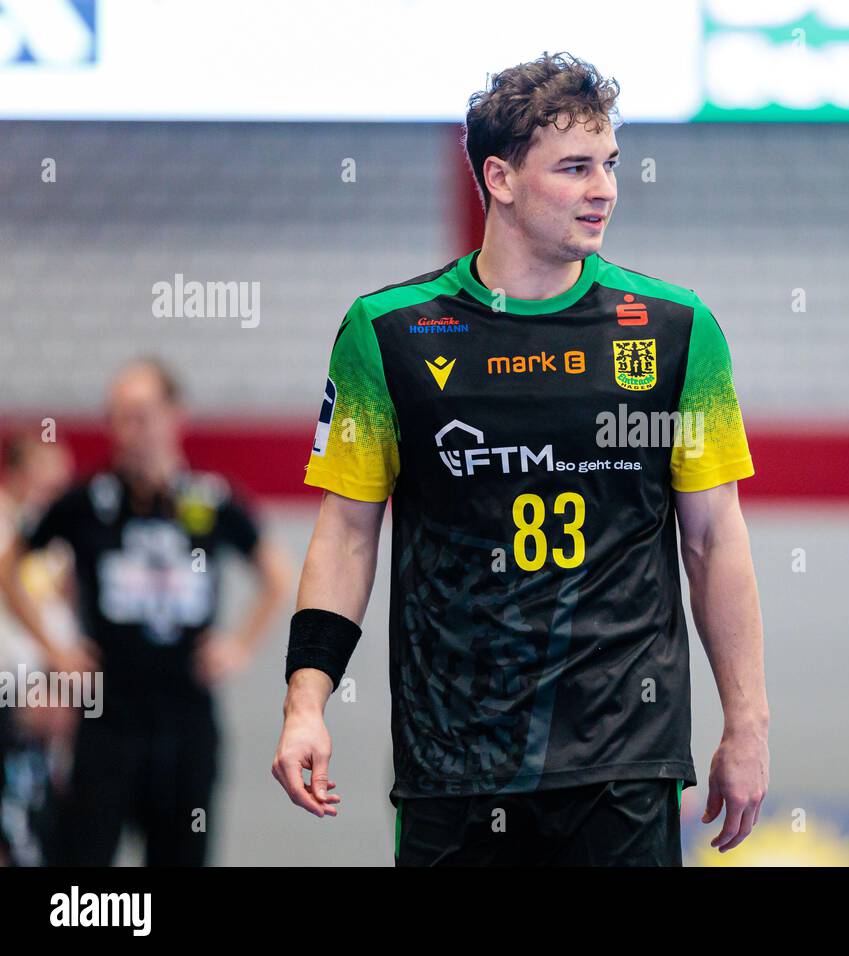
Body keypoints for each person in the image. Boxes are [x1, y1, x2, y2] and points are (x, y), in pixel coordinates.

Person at [272, 51, 769, 866]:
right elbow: (348, 533)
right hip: (453, 759)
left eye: (609, 165)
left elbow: (714, 538)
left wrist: (747, 723)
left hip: (622, 755)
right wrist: (305, 700)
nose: (604, 188)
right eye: (574, 168)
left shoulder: (677, 330)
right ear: (499, 179)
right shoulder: (388, 332)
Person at [0, 358, 292, 865]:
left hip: (187, 724)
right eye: (117, 417)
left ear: (175, 416)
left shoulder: (209, 499)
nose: (127, 431)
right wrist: (56, 649)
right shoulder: (85, 503)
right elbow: (10, 568)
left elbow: (277, 573)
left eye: (140, 415)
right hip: (106, 726)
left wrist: (239, 645)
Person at [0, 432, 76, 866]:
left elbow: (62, 614)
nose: (58, 484)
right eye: (47, 472)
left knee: (39, 818)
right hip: (12, 687)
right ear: (18, 472)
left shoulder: (51, 534)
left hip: (47, 690)